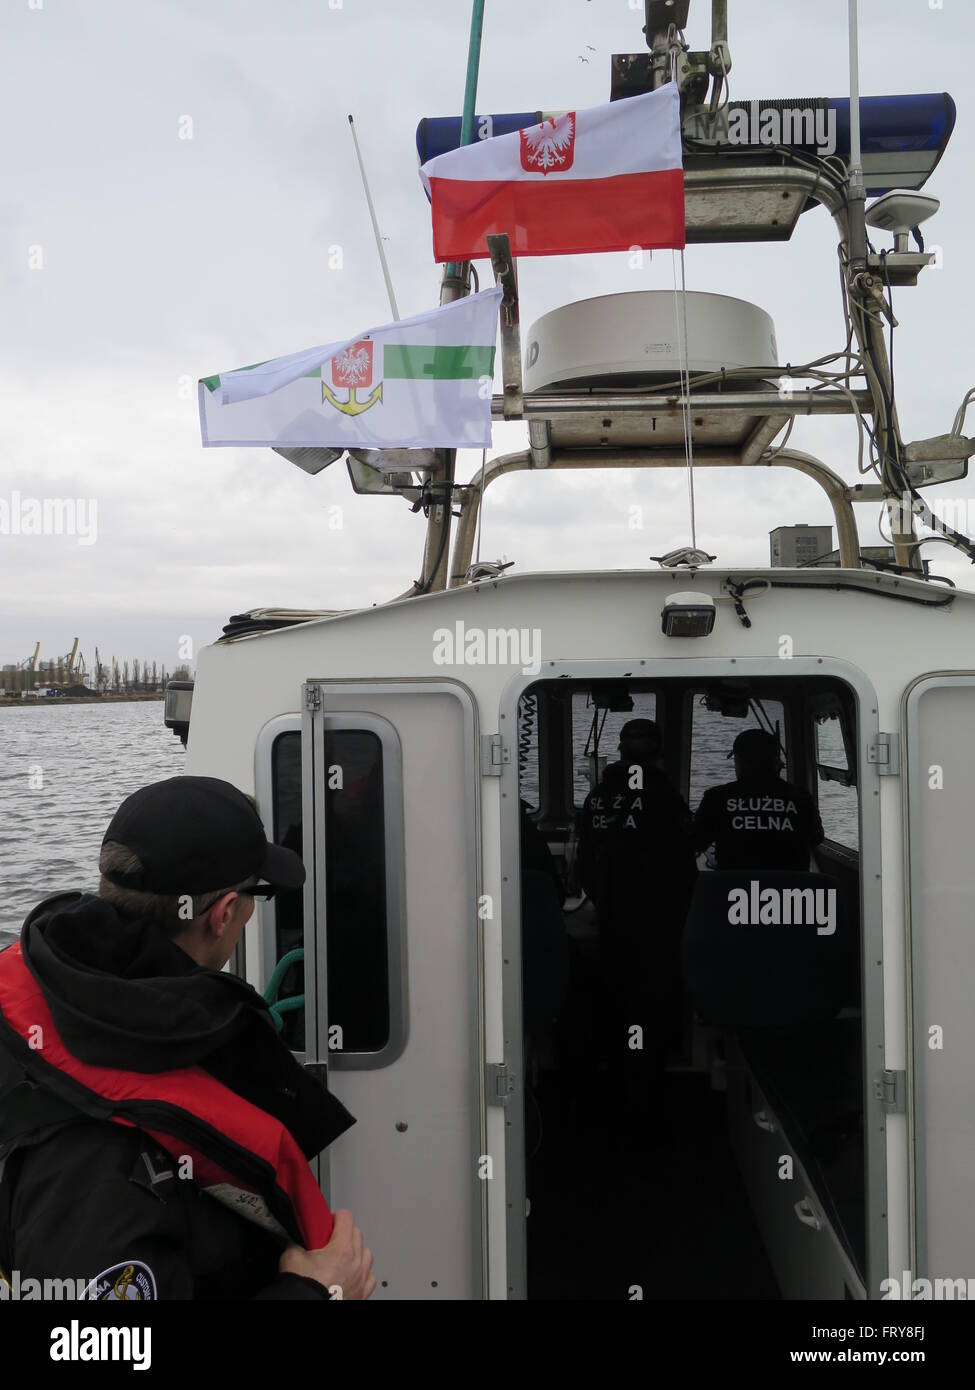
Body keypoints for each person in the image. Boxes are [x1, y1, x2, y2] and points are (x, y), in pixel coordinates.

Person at [0, 776, 375, 1301]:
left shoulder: (46, 999)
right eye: (255, 898)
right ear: (222, 914)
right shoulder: (93, 1160)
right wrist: (318, 1291)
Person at [577, 720, 697, 1095]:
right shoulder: (663, 795)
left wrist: (604, 898)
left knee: (614, 990)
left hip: (611, 916)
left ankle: (612, 1066)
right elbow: (683, 860)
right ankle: (649, 1072)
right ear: (659, 752)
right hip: (657, 921)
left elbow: (585, 863)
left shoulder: (597, 796)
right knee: (652, 997)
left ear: (620, 749)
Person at [693, 727, 825, 870]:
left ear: (739, 762)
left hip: (734, 890)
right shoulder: (801, 798)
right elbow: (816, 838)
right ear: (776, 762)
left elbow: (696, 842)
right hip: (790, 891)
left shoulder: (716, 797)